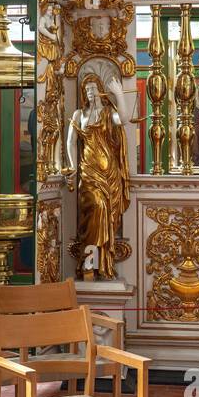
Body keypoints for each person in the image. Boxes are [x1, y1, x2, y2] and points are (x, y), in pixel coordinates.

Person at [66, 73, 131, 280]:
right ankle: (88, 263)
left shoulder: (108, 112)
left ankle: (101, 264)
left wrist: (119, 94)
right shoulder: (79, 114)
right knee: (96, 208)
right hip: (88, 171)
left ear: (100, 91)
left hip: (108, 173)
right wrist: (72, 166)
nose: (90, 93)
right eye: (87, 90)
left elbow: (124, 119)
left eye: (94, 89)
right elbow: (70, 142)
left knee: (106, 215)